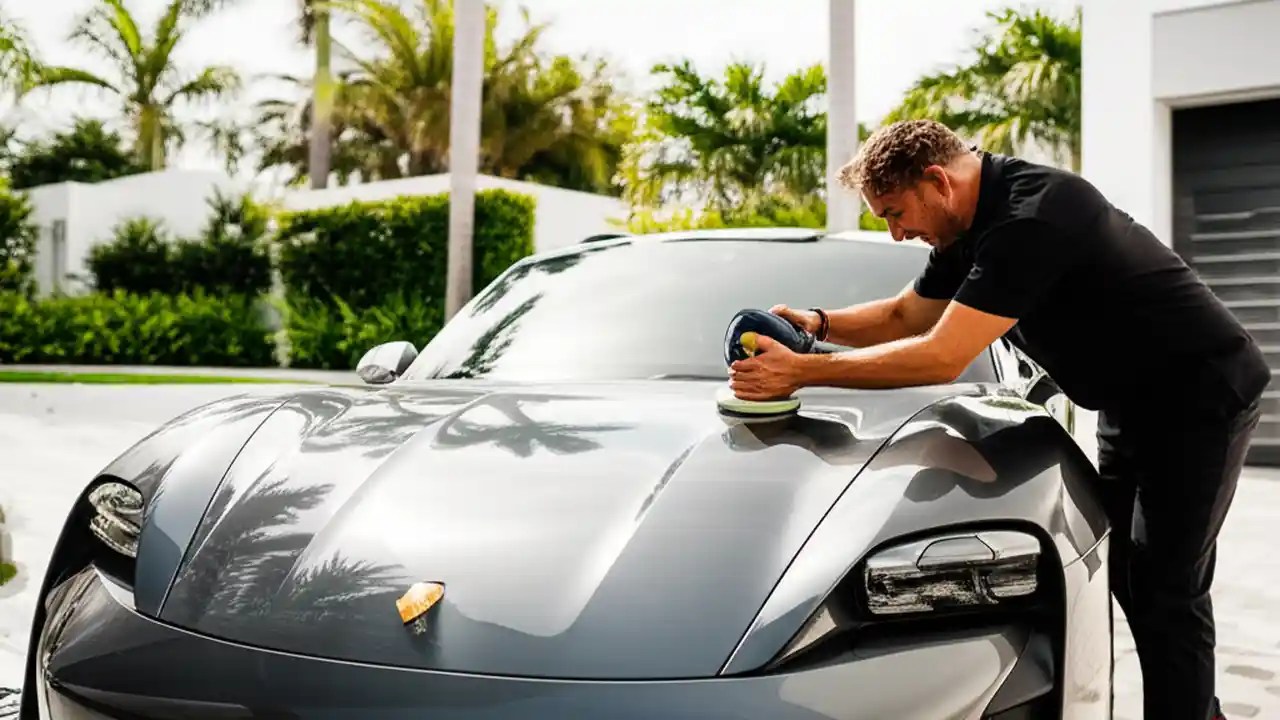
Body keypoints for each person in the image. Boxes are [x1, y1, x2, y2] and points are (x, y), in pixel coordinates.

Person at [729, 118, 1268, 720]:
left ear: (937, 180)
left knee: (1168, 586)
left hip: (1199, 391)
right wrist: (820, 325)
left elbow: (942, 355)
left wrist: (802, 374)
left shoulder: (1033, 215)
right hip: (1130, 399)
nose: (896, 231)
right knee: (1127, 571)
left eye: (894, 212)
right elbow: (909, 313)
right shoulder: (961, 227)